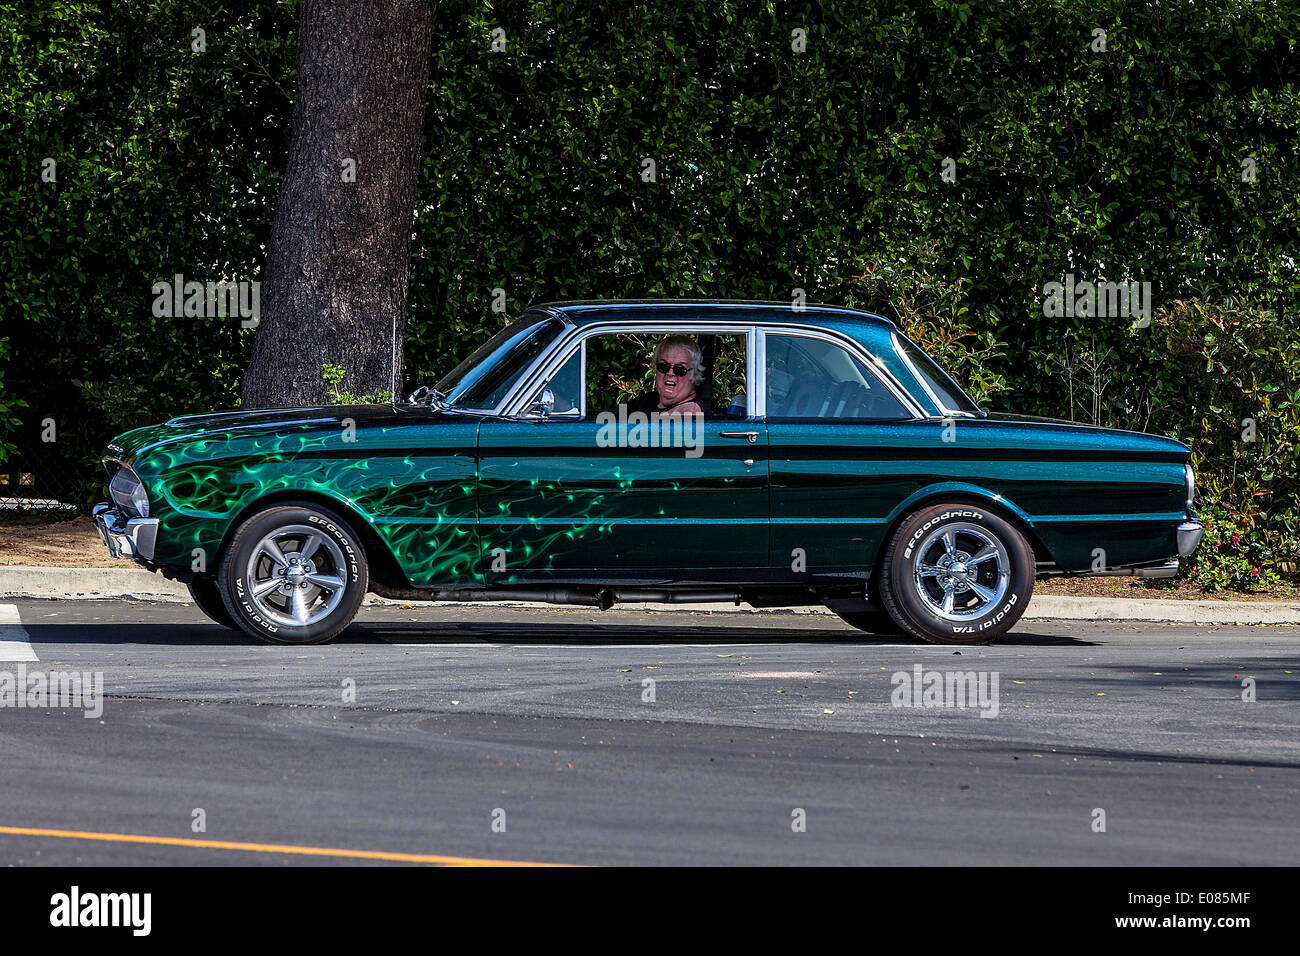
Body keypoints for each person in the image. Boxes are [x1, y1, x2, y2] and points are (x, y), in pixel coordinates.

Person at [629, 335, 706, 417]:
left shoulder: (691, 413)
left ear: (694, 375)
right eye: (663, 366)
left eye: (679, 369)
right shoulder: (646, 400)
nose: (670, 373)